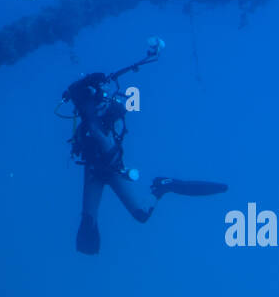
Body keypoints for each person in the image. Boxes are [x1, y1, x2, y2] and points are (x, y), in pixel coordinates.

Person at [58, 39, 228, 255]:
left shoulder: (97, 117)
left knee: (141, 214)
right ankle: (90, 242)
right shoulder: (88, 115)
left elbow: (101, 134)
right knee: (88, 224)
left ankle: (162, 187)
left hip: (110, 169)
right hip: (94, 168)